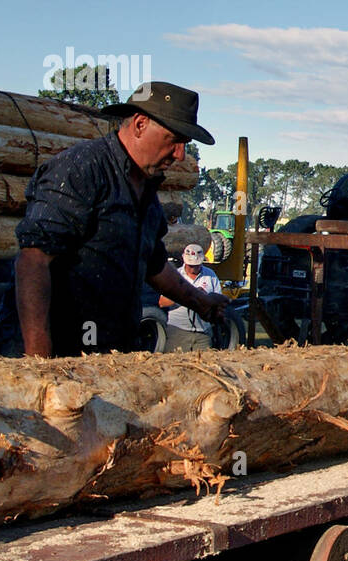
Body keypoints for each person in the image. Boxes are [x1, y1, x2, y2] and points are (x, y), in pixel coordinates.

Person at [13, 81, 228, 357]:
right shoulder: (82, 169)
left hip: (111, 354)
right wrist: (38, 362)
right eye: (174, 140)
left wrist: (201, 302)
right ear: (140, 124)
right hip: (61, 354)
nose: (180, 155)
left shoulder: (146, 191)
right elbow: (33, 260)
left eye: (184, 145)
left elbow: (154, 266)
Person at [160, 244, 223, 351]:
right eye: (190, 265)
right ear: (184, 260)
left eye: (196, 265)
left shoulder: (210, 275)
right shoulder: (175, 275)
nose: (193, 268)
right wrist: (185, 295)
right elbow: (162, 302)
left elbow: (219, 303)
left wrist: (205, 297)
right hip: (177, 331)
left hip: (203, 333)